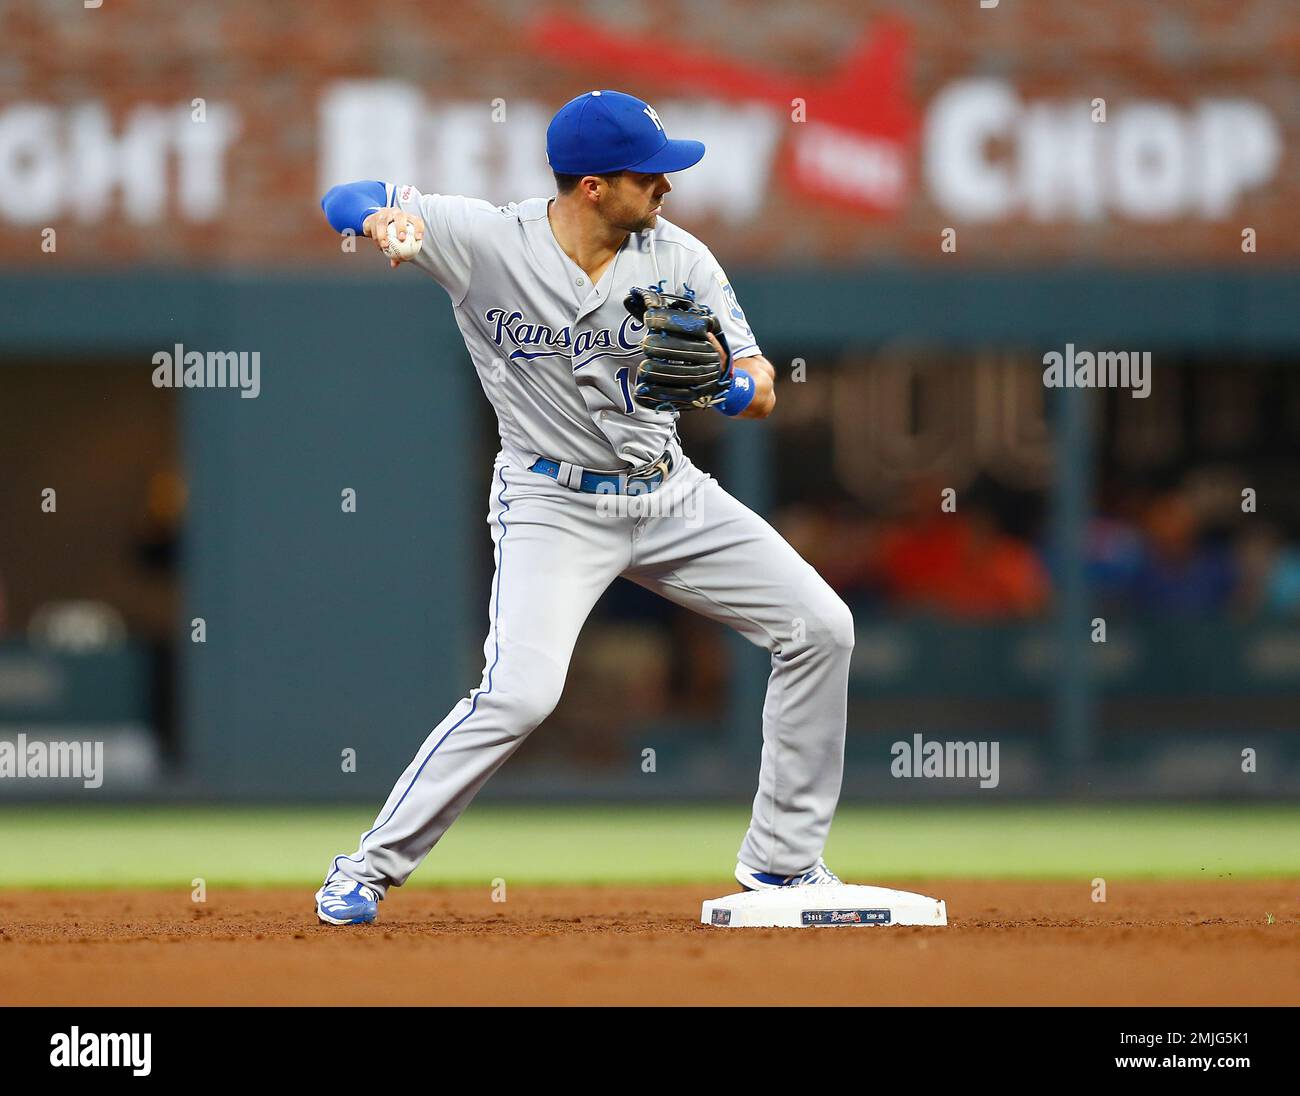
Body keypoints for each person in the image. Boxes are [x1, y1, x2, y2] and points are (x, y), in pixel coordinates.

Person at [314, 91, 854, 925]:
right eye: (651, 176)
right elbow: (345, 197)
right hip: (550, 502)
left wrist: (727, 383)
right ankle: (369, 867)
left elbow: (761, 386)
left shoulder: (682, 260)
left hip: (669, 493)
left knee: (822, 627)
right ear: (594, 186)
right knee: (521, 695)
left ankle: (784, 864)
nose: (668, 188)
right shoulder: (485, 239)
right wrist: (380, 223)